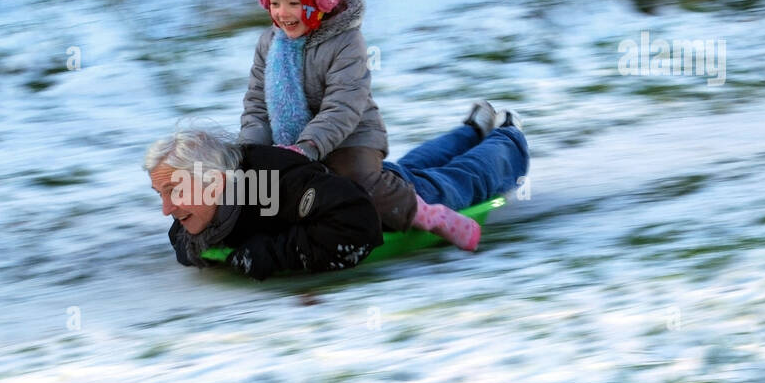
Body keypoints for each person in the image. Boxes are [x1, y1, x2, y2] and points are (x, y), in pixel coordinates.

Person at [241, 0, 512, 246]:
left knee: (357, 183)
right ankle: (471, 130)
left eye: (293, 2)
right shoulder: (270, 44)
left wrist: (306, 147)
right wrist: (251, 151)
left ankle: (432, 215)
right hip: (294, 147)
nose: (283, 13)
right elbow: (257, 105)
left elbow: (343, 106)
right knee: (260, 182)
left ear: (320, 0)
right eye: (275, 2)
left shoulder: (345, 41)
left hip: (352, 136)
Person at [146, 102, 529, 280]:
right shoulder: (217, 197)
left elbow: (355, 224)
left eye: (174, 192)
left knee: (462, 179)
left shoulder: (272, 187)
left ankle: (509, 136)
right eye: (161, 194)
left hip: (386, 204)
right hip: (357, 180)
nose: (167, 209)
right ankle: (471, 129)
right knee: (414, 163)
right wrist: (197, 250)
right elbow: (181, 233)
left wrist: (273, 254)